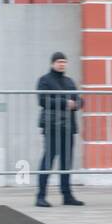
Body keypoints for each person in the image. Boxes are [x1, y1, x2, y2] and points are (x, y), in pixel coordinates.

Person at [36, 52, 83, 207]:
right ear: (52, 63)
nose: (62, 64)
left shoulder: (69, 81)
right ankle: (40, 196)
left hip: (68, 127)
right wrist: (65, 103)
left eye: (64, 61)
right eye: (58, 61)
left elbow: (79, 99)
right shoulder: (44, 80)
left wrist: (77, 103)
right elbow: (42, 100)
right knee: (47, 161)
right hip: (52, 127)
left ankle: (67, 195)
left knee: (66, 163)